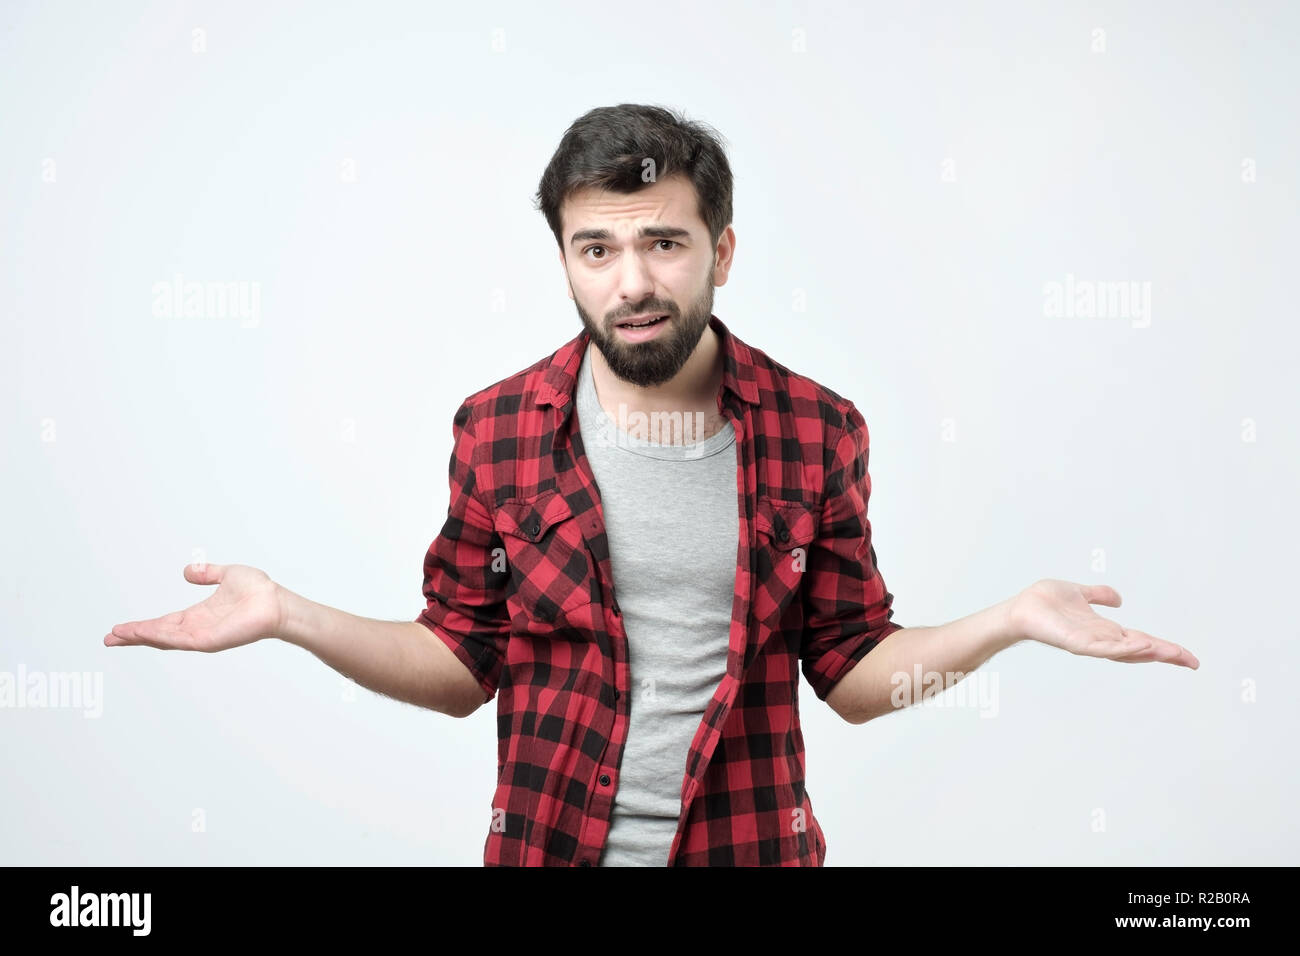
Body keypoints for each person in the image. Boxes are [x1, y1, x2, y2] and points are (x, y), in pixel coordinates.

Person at [105, 103, 1199, 867]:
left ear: (722, 251)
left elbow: (855, 675)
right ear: (566, 258)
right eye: (596, 248)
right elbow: (458, 664)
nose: (631, 281)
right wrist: (288, 615)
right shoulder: (496, 431)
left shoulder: (819, 431)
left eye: (663, 242)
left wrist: (1007, 622)